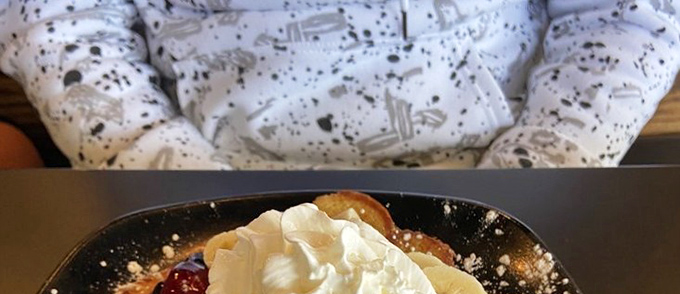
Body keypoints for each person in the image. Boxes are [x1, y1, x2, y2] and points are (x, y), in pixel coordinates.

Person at [0, 0, 678, 170]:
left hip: (495, 165)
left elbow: (625, 19)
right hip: (196, 167)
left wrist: (538, 174)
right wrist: (159, 168)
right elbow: (59, 19)